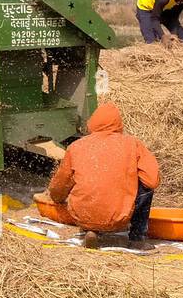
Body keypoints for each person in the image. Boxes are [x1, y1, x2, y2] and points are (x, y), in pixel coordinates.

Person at [47, 101, 160, 249]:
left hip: (82, 216)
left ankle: (91, 230)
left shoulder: (76, 146)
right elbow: (152, 181)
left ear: (93, 123)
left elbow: (60, 185)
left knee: (87, 184)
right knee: (146, 188)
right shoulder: (132, 144)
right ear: (118, 124)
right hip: (119, 218)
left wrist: (57, 199)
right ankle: (137, 239)